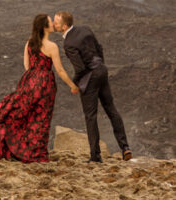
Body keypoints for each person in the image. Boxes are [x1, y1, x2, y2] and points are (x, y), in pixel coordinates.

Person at [0, 13, 79, 163]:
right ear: (45, 27)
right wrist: (73, 86)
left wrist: (33, 75)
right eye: (50, 22)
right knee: (40, 119)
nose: (53, 25)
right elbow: (60, 70)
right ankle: (35, 153)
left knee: (24, 114)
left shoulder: (30, 43)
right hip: (45, 84)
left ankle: (17, 149)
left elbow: (26, 65)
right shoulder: (52, 47)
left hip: (29, 81)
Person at [54, 10, 132, 163]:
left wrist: (74, 84)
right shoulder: (85, 29)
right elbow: (99, 48)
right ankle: (125, 147)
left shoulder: (68, 43)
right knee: (111, 109)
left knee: (91, 117)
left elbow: (80, 68)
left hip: (89, 78)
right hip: (101, 70)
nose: (53, 24)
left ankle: (95, 156)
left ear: (63, 27)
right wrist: (100, 65)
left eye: (56, 22)